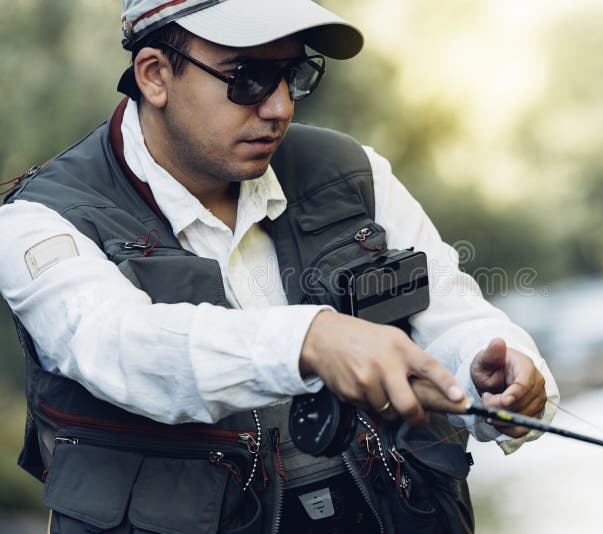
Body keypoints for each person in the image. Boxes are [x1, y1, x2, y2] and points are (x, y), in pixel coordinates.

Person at [0, 1, 559, 532]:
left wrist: (502, 379)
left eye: (293, 74)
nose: (281, 106)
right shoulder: (39, 219)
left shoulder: (353, 171)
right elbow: (117, 345)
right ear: (155, 75)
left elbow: (456, 317)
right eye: (246, 76)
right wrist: (309, 341)